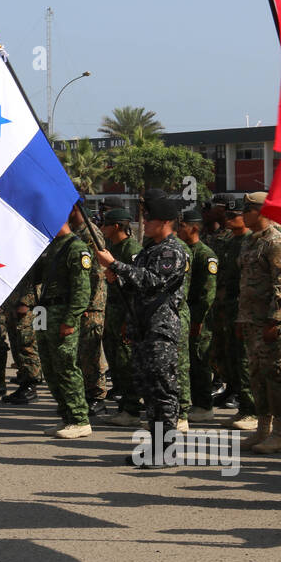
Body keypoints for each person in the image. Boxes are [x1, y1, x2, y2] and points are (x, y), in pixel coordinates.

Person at [96, 190, 188, 464]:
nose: (144, 222)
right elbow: (138, 285)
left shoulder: (172, 250)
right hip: (143, 328)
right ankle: (157, 447)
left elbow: (154, 281)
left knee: (162, 392)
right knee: (149, 392)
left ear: (163, 221)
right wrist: (118, 279)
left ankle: (167, 451)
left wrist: (117, 265)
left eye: (148, 217)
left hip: (160, 331)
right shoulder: (150, 250)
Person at [236, 192, 281, 454]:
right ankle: (262, 430)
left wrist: (274, 318)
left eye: (248, 210)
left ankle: (279, 434)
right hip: (251, 321)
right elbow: (246, 284)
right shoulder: (249, 242)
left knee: (277, 375)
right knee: (257, 376)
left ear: (261, 211)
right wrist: (242, 318)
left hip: (271, 322)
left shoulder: (276, 242)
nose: (243, 215)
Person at [37, 211, 94, 439]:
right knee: (49, 369)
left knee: (66, 367)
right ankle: (66, 417)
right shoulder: (51, 246)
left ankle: (80, 419)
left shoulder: (76, 248)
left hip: (62, 314)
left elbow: (82, 290)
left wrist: (70, 320)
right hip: (43, 311)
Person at [213, 201, 255, 426]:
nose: (228, 219)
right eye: (227, 215)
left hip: (244, 307)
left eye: (234, 215)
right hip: (227, 306)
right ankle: (234, 391)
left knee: (244, 358)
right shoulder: (230, 241)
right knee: (228, 354)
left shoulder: (251, 241)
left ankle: (249, 405)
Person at [102, 208, 143, 426]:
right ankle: (124, 405)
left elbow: (138, 284)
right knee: (116, 362)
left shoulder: (132, 249)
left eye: (106, 224)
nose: (103, 228)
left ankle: (132, 408)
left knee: (127, 363)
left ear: (117, 226)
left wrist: (130, 319)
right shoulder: (111, 247)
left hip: (126, 311)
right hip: (113, 312)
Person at [178, 209, 218, 423]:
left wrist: (198, 320)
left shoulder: (205, 254)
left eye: (182, 225)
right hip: (188, 313)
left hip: (199, 316)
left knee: (200, 359)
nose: (179, 229)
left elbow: (207, 293)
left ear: (194, 227)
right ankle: (195, 401)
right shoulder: (185, 251)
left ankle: (204, 405)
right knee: (189, 361)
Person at [71, 205, 108, 413]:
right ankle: (87, 392)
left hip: (92, 305)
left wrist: (90, 304)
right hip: (82, 303)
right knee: (82, 352)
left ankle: (97, 396)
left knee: (91, 350)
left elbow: (98, 272)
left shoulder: (90, 232)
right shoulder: (77, 232)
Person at [0, 262, 42, 404]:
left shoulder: (35, 244)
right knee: (17, 344)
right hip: (14, 301)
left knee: (28, 345)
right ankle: (24, 382)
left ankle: (31, 386)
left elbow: (38, 277)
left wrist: (26, 301)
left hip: (29, 307)